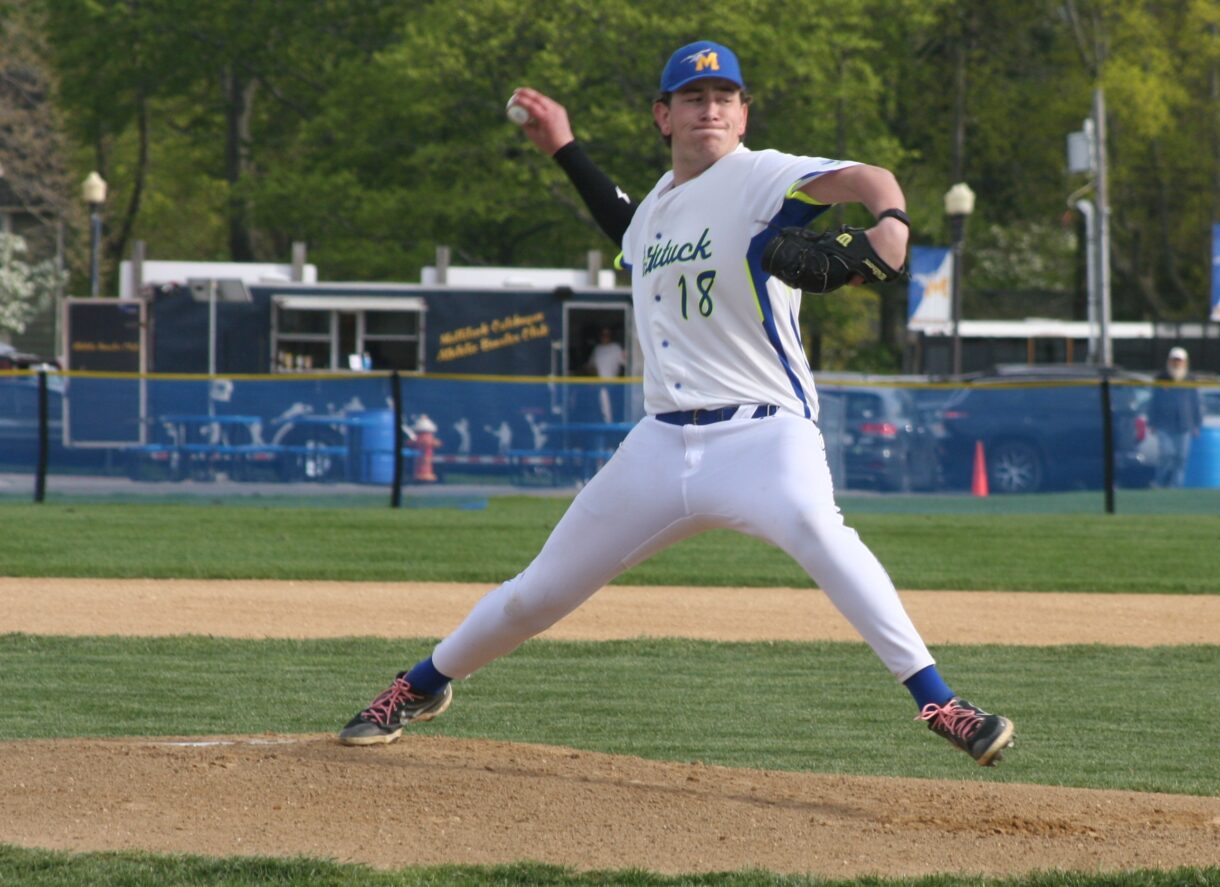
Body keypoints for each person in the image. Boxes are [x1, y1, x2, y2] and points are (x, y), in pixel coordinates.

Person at [337, 40, 1014, 766]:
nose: (710, 108)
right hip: (659, 446)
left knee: (823, 532)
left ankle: (940, 700)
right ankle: (419, 684)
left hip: (763, 434)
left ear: (744, 113)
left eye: (725, 96)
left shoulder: (761, 177)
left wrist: (892, 223)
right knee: (537, 593)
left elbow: (869, 177)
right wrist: (564, 147)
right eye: (693, 98)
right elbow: (622, 220)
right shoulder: (655, 210)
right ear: (663, 115)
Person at [1148, 347, 1203, 488]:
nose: (1176, 363)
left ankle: (1176, 485)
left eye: (1179, 361)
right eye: (1174, 360)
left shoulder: (1190, 379)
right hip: (1164, 424)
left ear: (1184, 362)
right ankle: (1160, 482)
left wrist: (1197, 424)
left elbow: (1195, 403)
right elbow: (1153, 401)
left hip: (1184, 424)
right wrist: (1152, 422)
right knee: (1167, 454)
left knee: (1181, 457)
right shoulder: (1161, 378)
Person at [585, 326, 626, 423]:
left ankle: (614, 427)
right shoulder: (597, 349)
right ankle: (607, 426)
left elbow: (627, 364)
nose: (605, 337)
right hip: (600, 385)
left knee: (615, 407)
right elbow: (590, 366)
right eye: (603, 335)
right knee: (603, 409)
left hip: (614, 384)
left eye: (607, 335)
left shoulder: (616, 348)